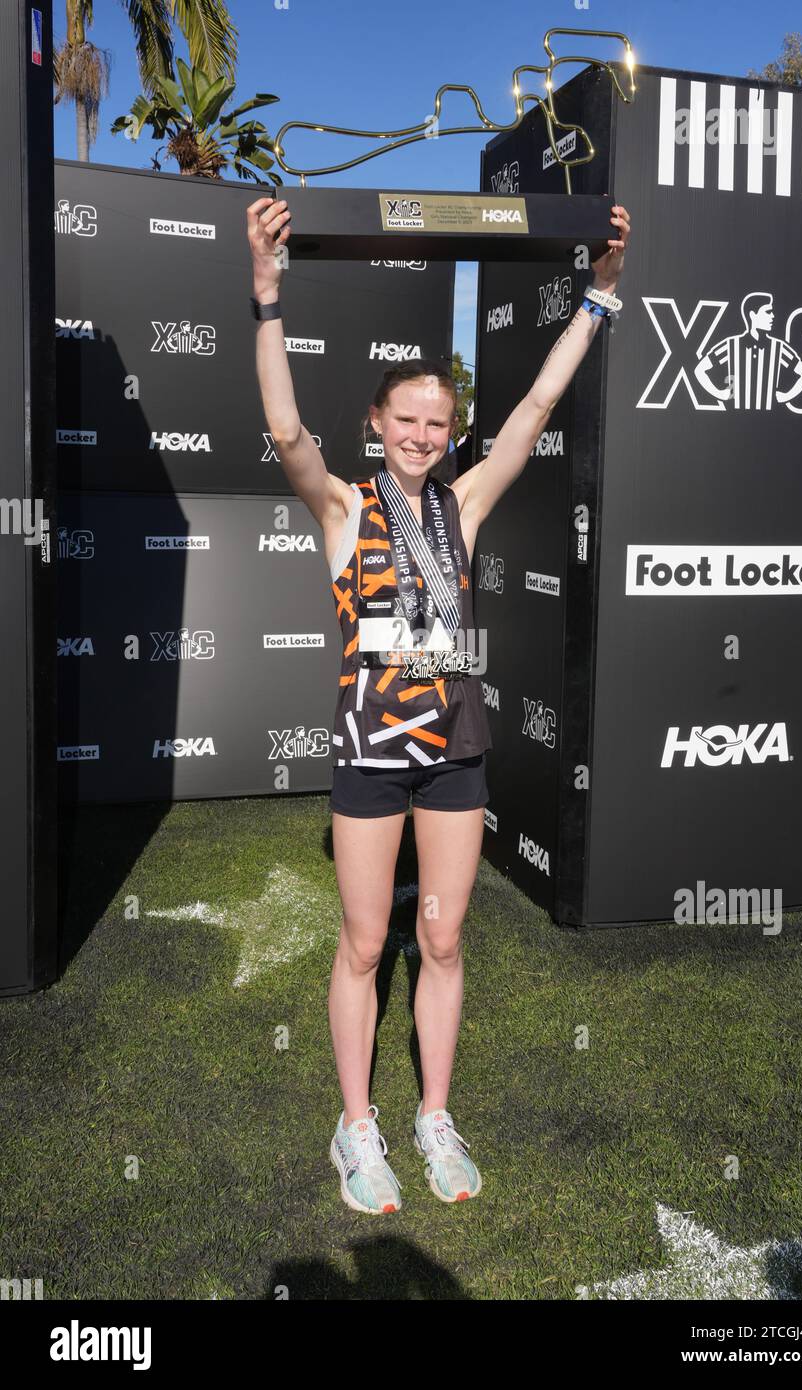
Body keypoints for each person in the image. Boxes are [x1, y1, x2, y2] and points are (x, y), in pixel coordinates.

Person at [247, 194, 631, 1214]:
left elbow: (536, 412)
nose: (422, 435)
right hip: (371, 755)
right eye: (404, 420)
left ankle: (431, 1115)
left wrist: (596, 300)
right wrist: (265, 296)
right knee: (368, 942)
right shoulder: (341, 507)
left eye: (437, 422)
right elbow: (284, 427)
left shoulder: (462, 504)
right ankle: (356, 1125)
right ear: (374, 423)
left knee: (447, 935)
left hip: (456, 748)